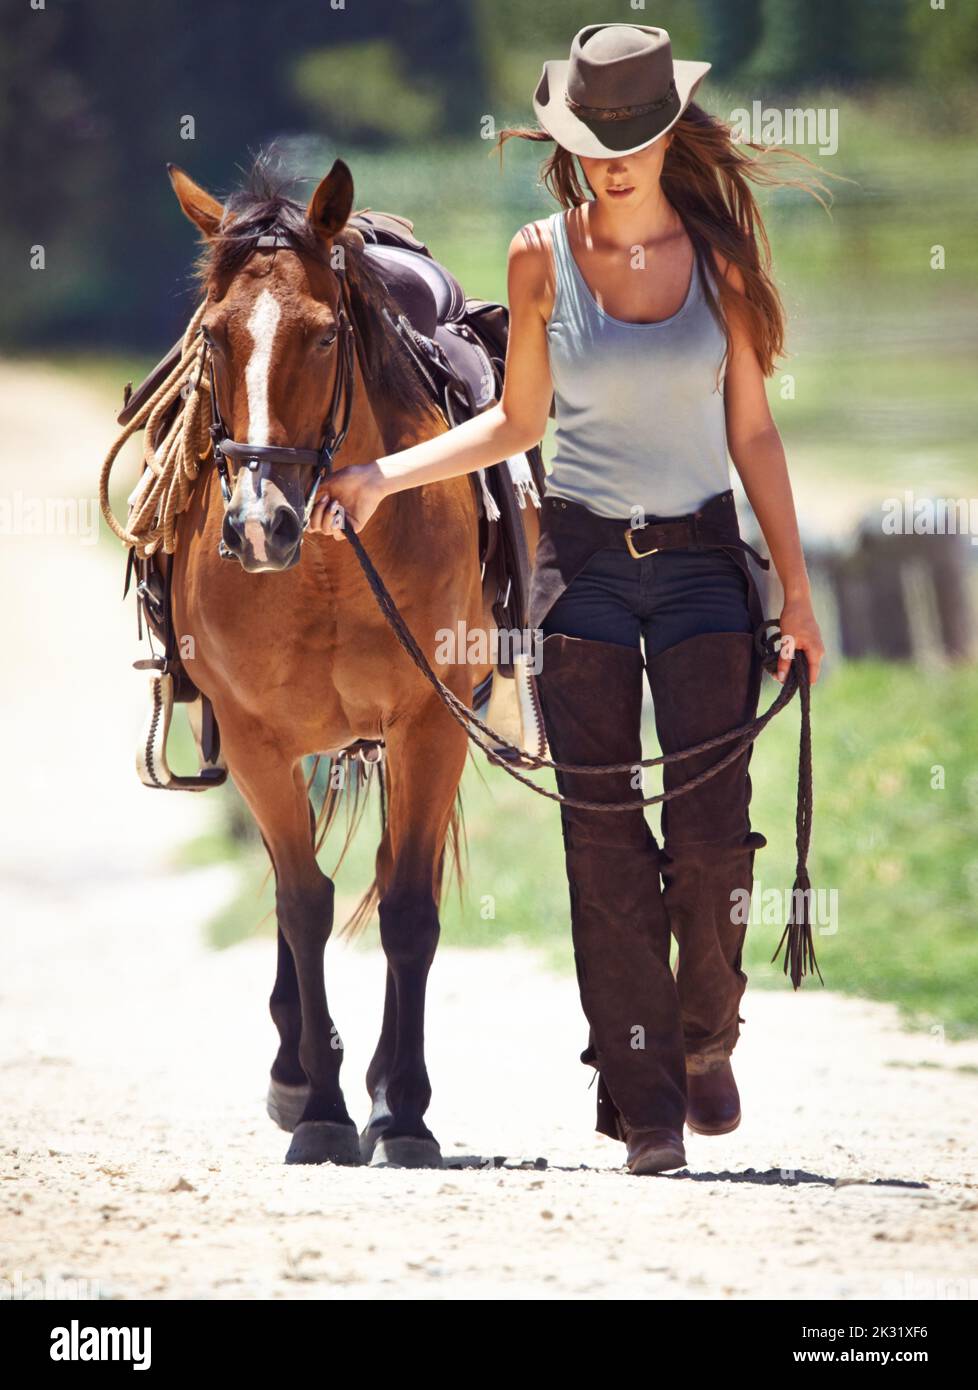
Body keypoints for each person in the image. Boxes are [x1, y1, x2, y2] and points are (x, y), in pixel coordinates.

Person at [308, 23, 825, 1175]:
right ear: (569, 142)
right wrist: (380, 474)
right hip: (581, 568)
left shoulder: (721, 262)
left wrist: (795, 591)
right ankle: (643, 1102)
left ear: (668, 132)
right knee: (597, 832)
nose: (614, 159)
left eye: (634, 136)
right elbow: (519, 422)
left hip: (701, 567)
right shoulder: (538, 257)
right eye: (594, 139)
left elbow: (753, 432)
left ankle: (705, 1040)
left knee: (707, 838)